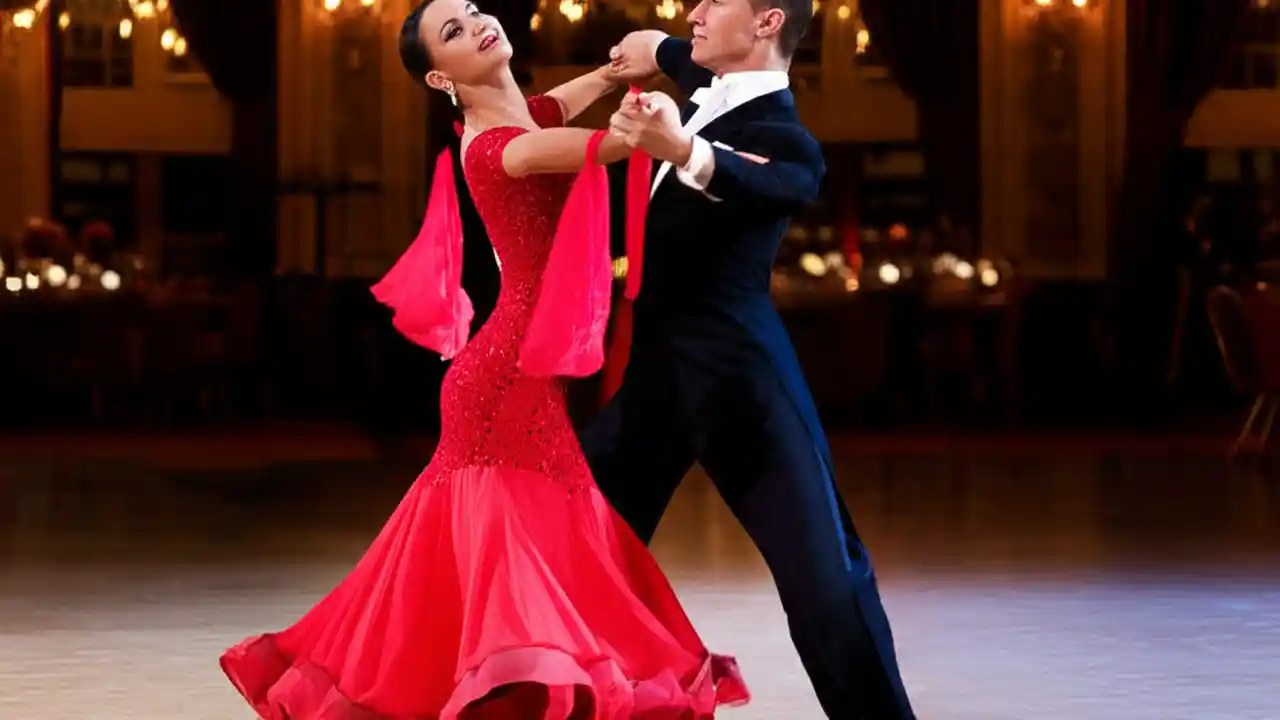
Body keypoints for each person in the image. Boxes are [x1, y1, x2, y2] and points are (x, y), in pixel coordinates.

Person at [216, 2, 748, 717]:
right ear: (441, 77)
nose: (479, 24)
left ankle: (515, 682)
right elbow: (615, 146)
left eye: (473, 11)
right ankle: (506, 685)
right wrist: (666, 86)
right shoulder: (499, 147)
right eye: (455, 32)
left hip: (515, 369)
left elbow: (557, 102)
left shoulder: (523, 116)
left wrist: (615, 68)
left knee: (522, 545)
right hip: (504, 380)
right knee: (525, 546)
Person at [583, 7, 917, 718]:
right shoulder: (702, 72)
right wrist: (656, 48)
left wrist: (682, 150)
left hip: (743, 390)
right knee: (569, 557)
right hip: (653, 388)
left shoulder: (783, 138)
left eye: (714, 0)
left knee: (826, 585)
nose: (694, 11)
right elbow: (676, 52)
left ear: (767, 21)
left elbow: (783, 181)